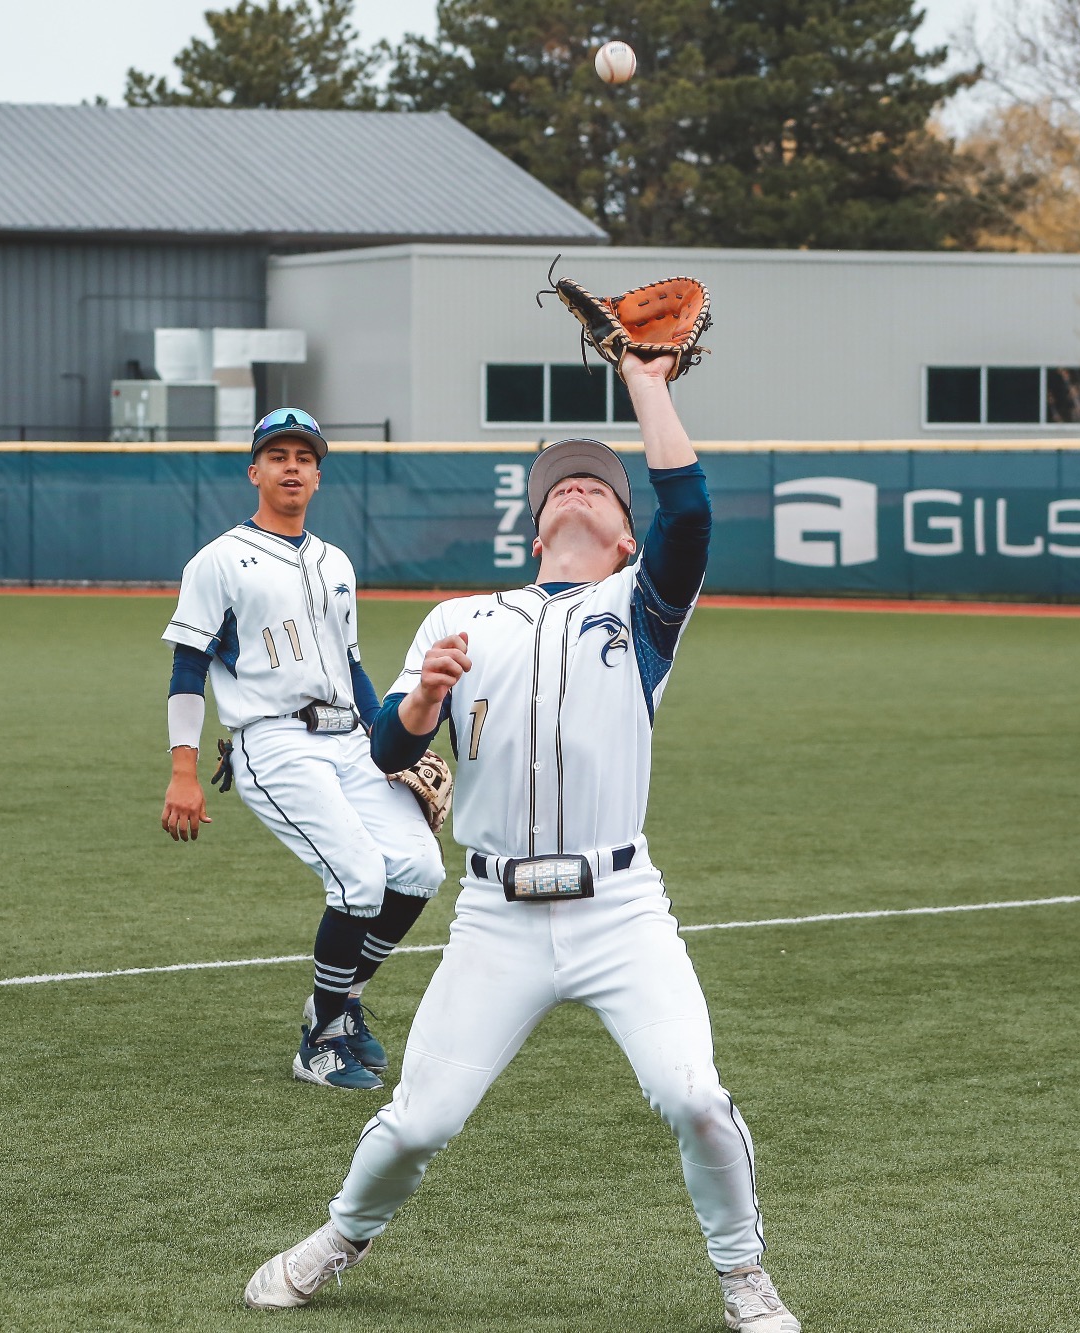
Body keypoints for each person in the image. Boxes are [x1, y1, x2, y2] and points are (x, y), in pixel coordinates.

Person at [243, 357, 802, 1332]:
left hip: (620, 910)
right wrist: (419, 702)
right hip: (496, 918)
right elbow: (385, 746)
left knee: (695, 1100)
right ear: (533, 524)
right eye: (559, 484)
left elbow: (692, 512)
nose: (578, 485)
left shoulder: (640, 609)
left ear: (626, 534)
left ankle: (742, 1274)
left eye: (598, 484)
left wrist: (644, 381)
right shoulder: (460, 618)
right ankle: (339, 1236)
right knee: (419, 1121)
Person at [160, 407, 445, 1091]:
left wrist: (391, 740)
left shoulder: (335, 561)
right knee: (358, 878)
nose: (292, 466)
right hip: (274, 740)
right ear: (254, 470)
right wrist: (182, 770)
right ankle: (319, 1042)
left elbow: (352, 665)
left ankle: (337, 1002)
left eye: (305, 457)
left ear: (318, 475)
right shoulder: (219, 560)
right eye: (278, 454)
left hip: (350, 737)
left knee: (419, 868)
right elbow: (187, 667)